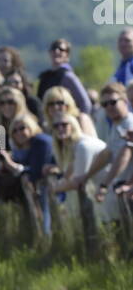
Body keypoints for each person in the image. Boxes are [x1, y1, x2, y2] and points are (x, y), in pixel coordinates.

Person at [69, 83, 133, 219]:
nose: (109, 107)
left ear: (125, 101)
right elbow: (106, 154)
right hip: (122, 191)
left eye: (113, 102)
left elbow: (125, 154)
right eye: (105, 104)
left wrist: (104, 185)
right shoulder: (116, 127)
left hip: (128, 189)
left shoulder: (130, 124)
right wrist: (85, 176)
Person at [36, 39, 91, 114]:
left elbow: (85, 103)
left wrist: (79, 120)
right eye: (54, 48)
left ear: (67, 55)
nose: (56, 51)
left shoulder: (68, 76)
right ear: (49, 53)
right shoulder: (45, 77)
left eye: (61, 49)